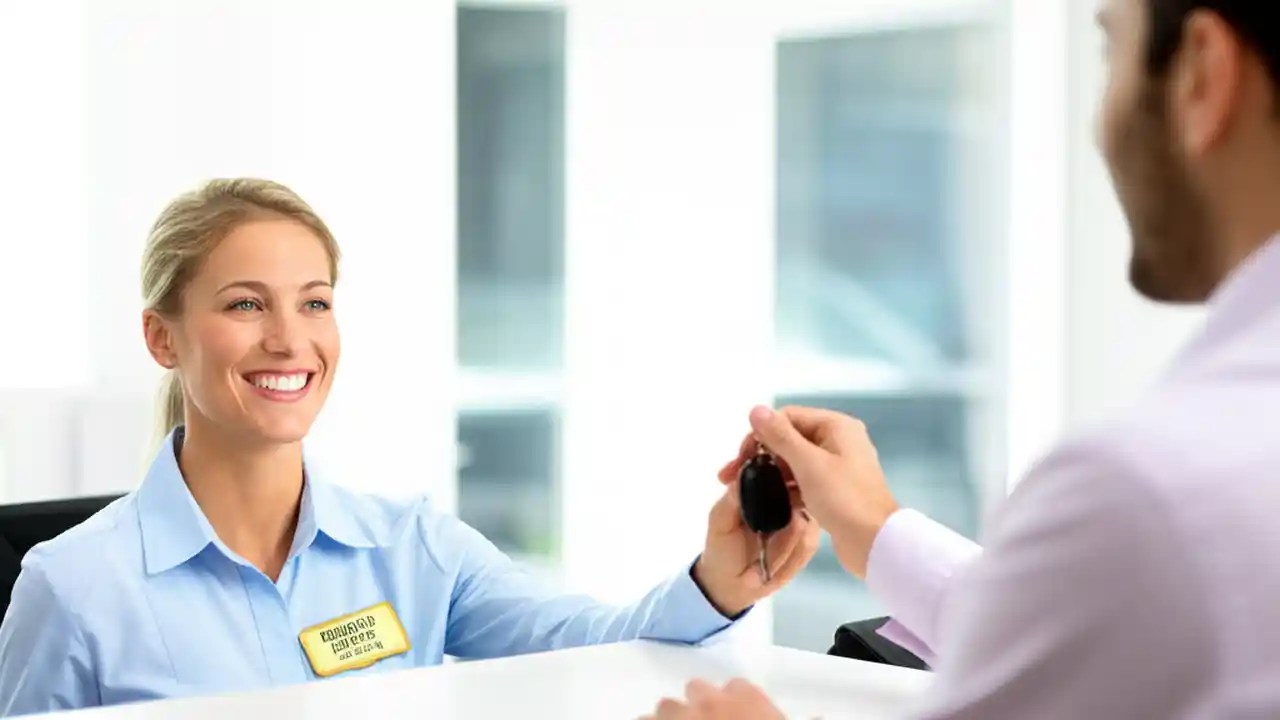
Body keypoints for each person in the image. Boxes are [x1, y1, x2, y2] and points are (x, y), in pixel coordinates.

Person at [647, 0, 1280, 717]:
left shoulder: (1147, 494)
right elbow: (1086, 626)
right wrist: (874, 528)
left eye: (1112, 53)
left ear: (1202, 74)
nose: (1101, 123)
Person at [0, 178, 821, 716]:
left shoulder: (414, 548)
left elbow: (601, 648)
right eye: (246, 305)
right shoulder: (73, 588)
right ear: (162, 338)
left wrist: (719, 580)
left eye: (314, 303)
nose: (288, 339)